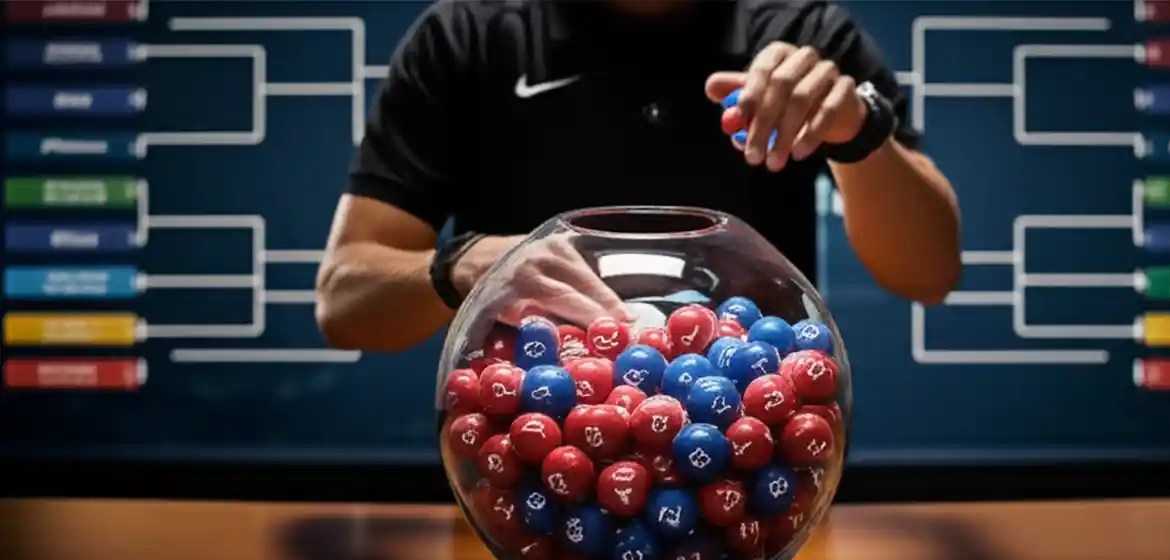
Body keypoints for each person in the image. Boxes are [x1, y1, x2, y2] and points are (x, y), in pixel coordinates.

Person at [316, 0, 961, 352]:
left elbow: (929, 273)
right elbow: (344, 302)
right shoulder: (467, 37)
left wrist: (858, 129)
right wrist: (460, 266)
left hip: (760, 467)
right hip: (520, 469)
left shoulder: (804, 35)